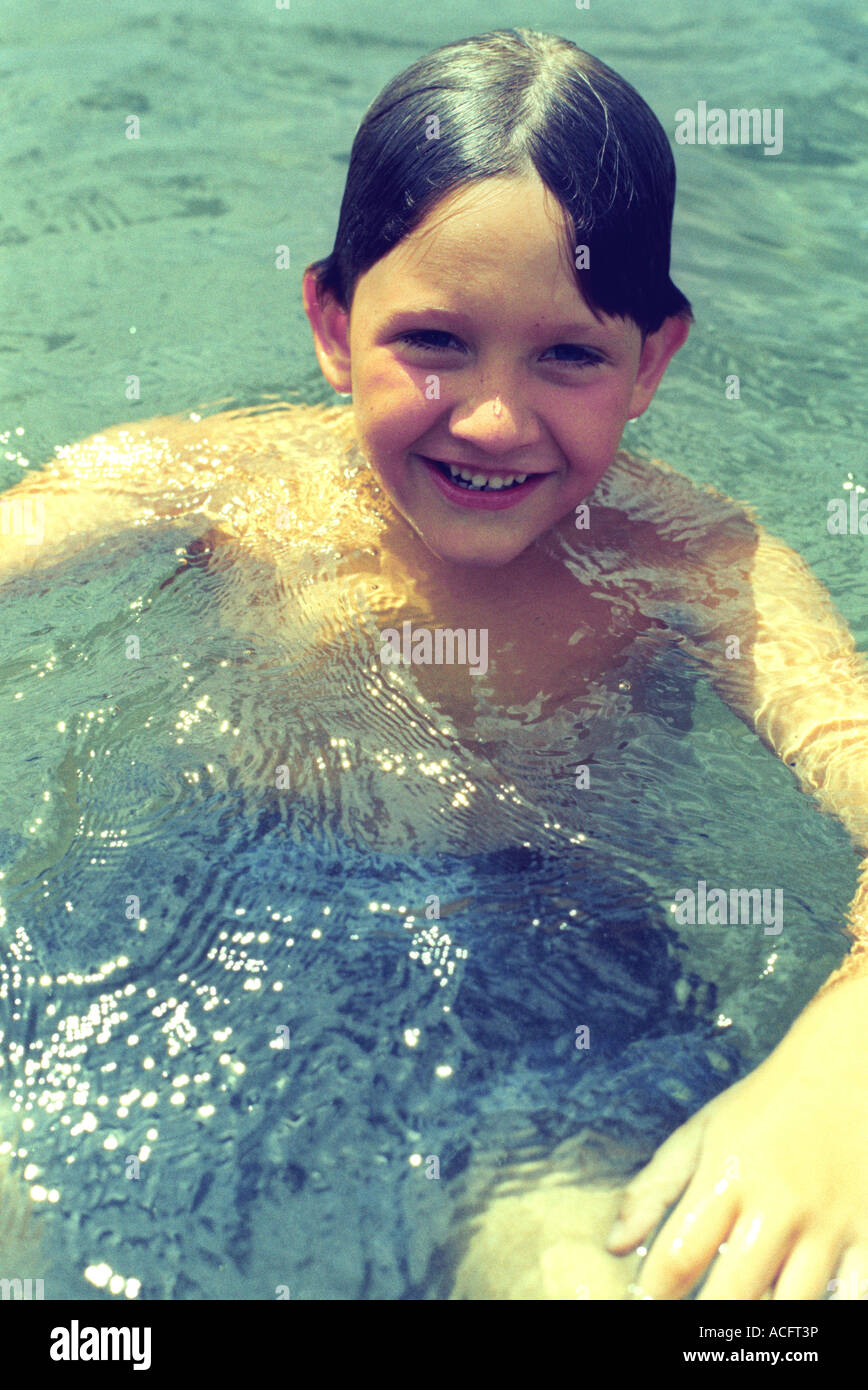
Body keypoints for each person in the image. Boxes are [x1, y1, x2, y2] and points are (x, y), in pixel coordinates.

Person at [1, 28, 866, 1300]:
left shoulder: (694, 566)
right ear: (333, 323)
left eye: (566, 352)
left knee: (667, 1287)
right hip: (166, 924)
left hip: (539, 983)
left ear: (653, 360)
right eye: (434, 342)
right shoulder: (227, 484)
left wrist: (839, 1062)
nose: (493, 418)